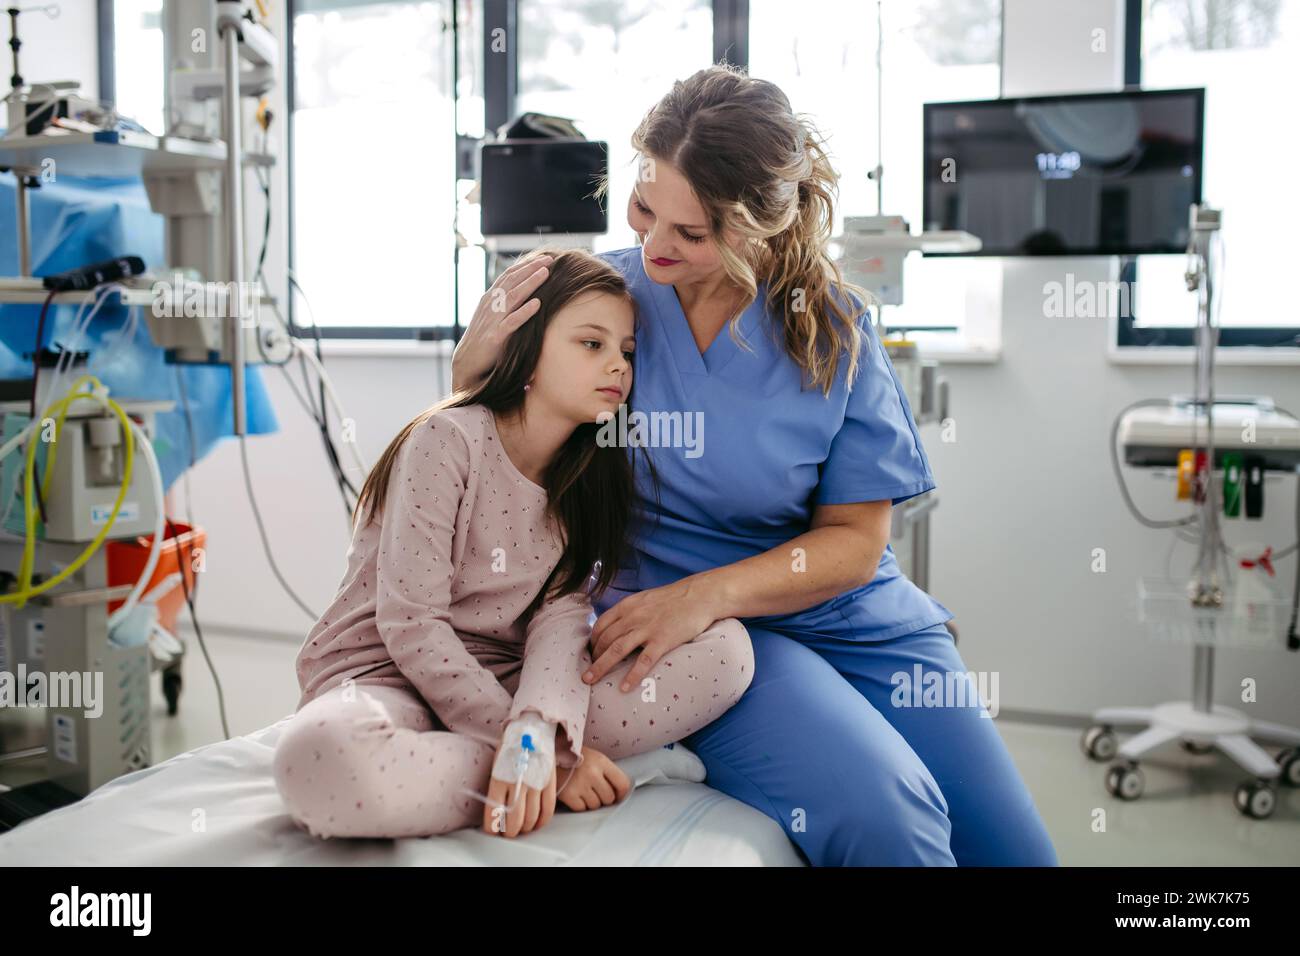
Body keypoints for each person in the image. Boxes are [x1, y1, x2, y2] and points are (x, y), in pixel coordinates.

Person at [451, 65, 1058, 866]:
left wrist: (712, 593)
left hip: (843, 612)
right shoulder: (599, 301)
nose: (652, 244)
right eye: (643, 207)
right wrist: (470, 375)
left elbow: (854, 541)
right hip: (696, 636)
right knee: (892, 818)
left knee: (1014, 852)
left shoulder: (833, 326)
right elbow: (496, 449)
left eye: (690, 233)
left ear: (757, 227)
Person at [273, 249, 752, 840]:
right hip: (385, 673)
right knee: (323, 763)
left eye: (626, 351)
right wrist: (543, 749)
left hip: (512, 679)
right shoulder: (445, 440)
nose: (618, 366)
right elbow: (411, 622)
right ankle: (536, 769)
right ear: (527, 351)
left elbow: (562, 621)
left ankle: (517, 763)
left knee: (729, 652)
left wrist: (531, 727)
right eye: (591, 344)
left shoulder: (589, 477)